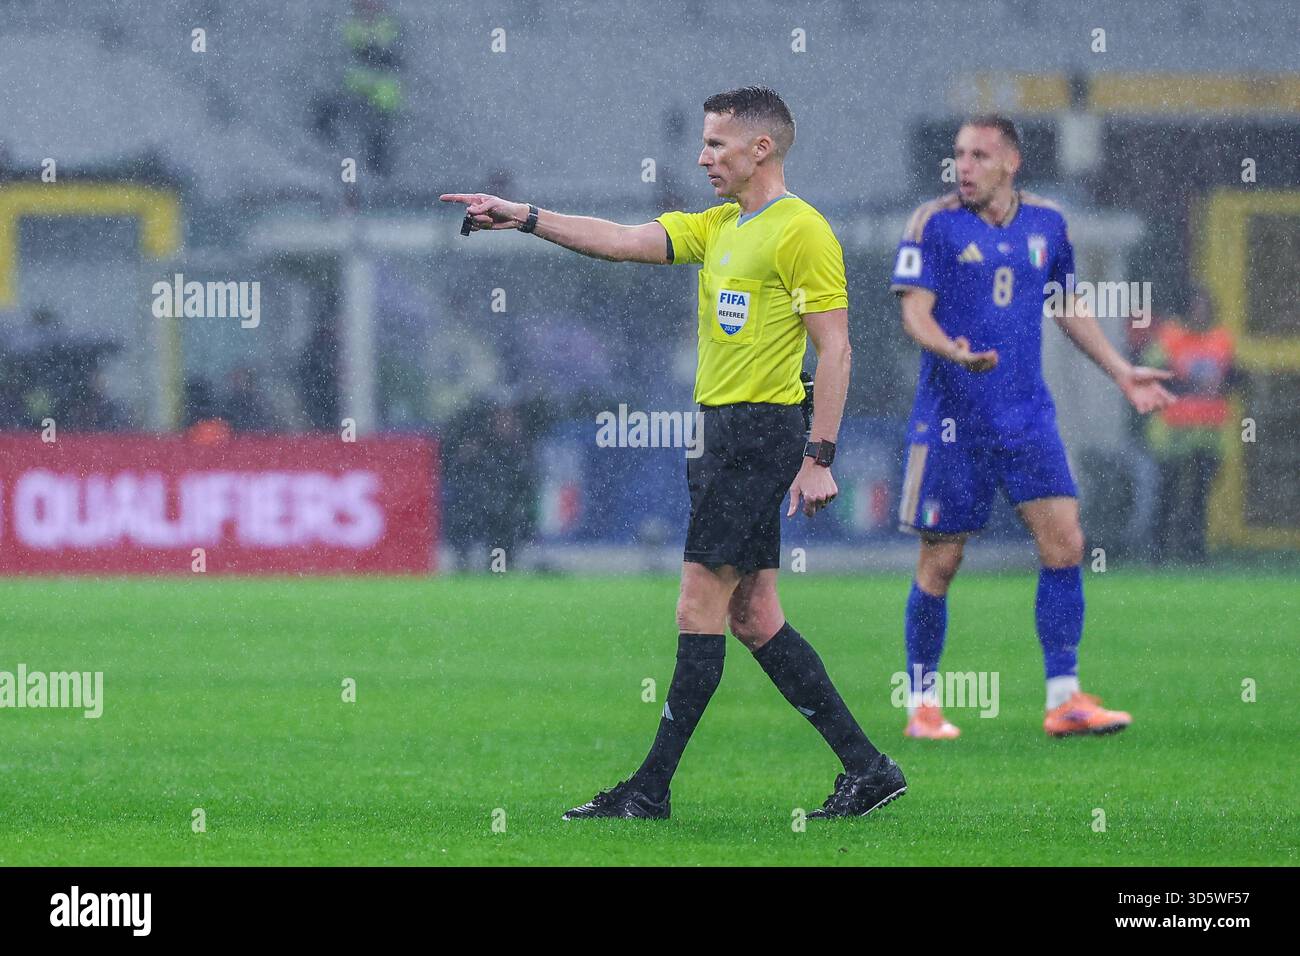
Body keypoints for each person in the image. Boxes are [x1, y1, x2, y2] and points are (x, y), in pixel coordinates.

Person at [442, 86, 906, 819]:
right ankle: (869, 768)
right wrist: (523, 216)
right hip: (722, 436)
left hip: (759, 434)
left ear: (761, 148)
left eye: (716, 142)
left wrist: (819, 456)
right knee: (754, 615)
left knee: (699, 604)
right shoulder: (721, 225)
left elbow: (837, 347)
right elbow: (620, 239)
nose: (701, 157)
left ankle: (649, 789)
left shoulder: (802, 231)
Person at [890, 115, 1175, 740]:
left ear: (1010, 162)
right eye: (959, 154)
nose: (964, 167)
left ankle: (1064, 699)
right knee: (942, 562)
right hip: (952, 424)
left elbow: (1067, 305)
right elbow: (915, 313)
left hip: (1027, 418)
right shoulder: (933, 224)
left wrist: (1122, 372)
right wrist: (951, 350)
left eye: (978, 155)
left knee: (1065, 544)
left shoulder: (1047, 223)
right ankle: (923, 704)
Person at [1142, 288, 1234, 564]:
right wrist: (1186, 382)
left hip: (1208, 433)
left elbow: (1235, 377)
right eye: (1194, 306)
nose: (1199, 313)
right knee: (1167, 491)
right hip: (1173, 431)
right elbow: (1151, 374)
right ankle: (1159, 550)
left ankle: (1194, 550)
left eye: (1203, 307)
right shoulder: (1170, 338)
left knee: (1199, 496)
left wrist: (1222, 383)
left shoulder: (1221, 340)